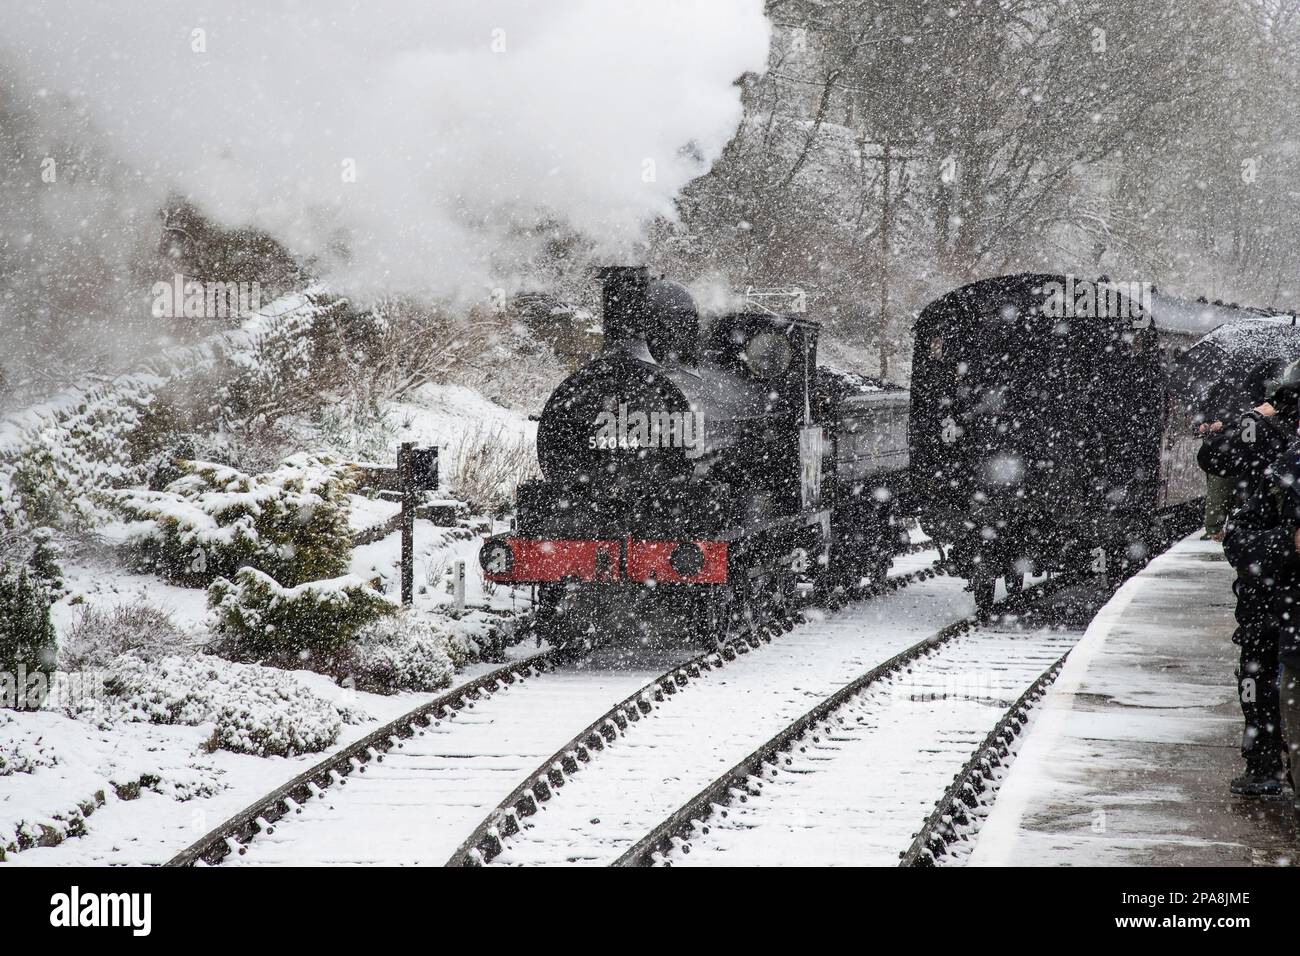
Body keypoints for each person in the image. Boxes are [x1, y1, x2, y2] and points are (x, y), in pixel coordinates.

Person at [1221, 360, 1300, 796]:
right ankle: (1265, 764)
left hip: (1281, 604)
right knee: (1260, 681)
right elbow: (1211, 454)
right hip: (1273, 602)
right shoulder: (1271, 454)